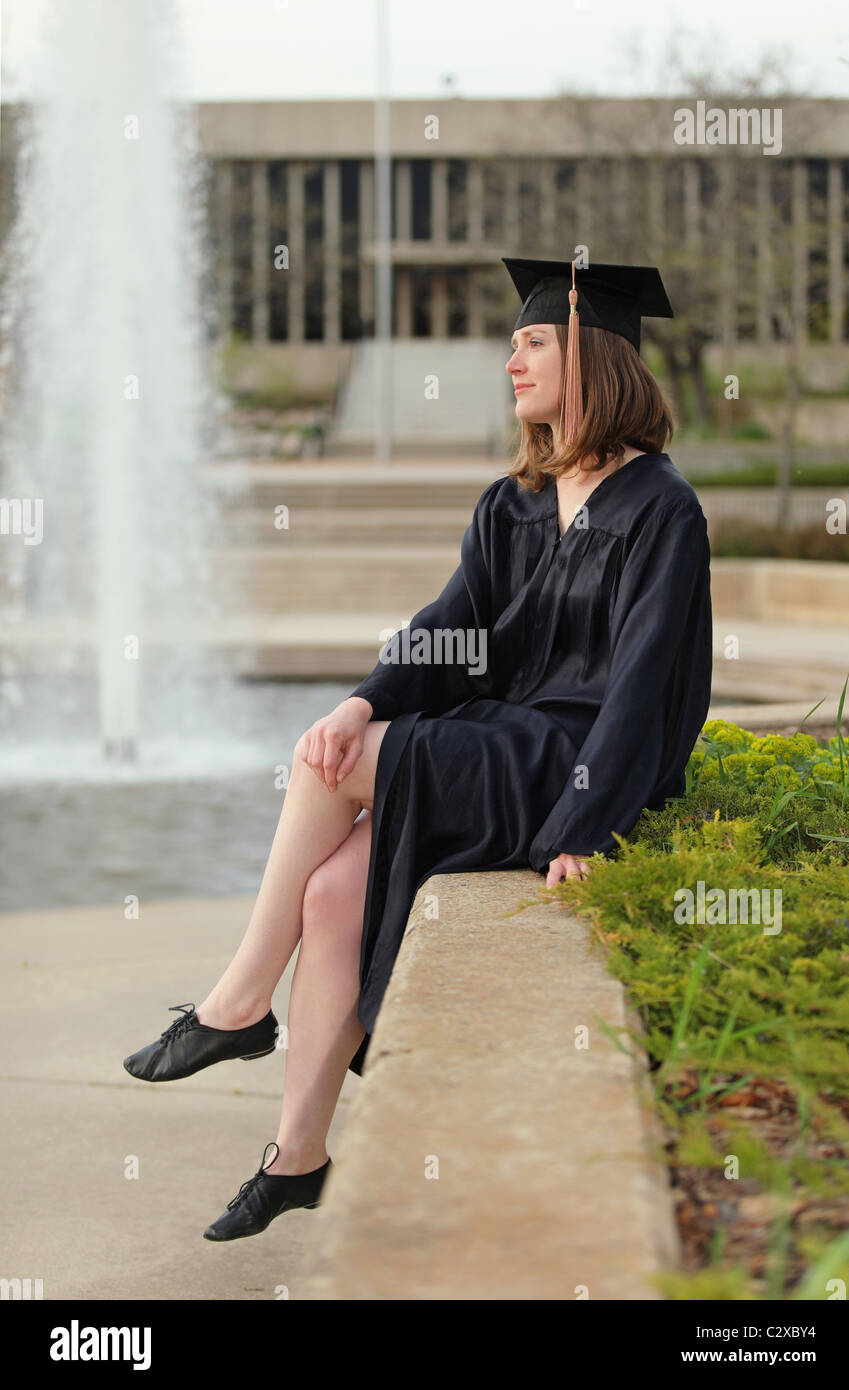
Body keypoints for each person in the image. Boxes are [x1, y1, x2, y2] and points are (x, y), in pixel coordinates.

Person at [122, 254, 713, 1241]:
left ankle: (237, 999)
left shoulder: (661, 508)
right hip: (495, 742)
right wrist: (363, 700)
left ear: (592, 352)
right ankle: (297, 1154)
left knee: (341, 766)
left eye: (531, 341)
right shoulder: (513, 503)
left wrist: (586, 823)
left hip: (564, 762)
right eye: (512, 344)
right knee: (328, 882)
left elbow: (648, 688)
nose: (511, 360)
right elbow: (450, 630)